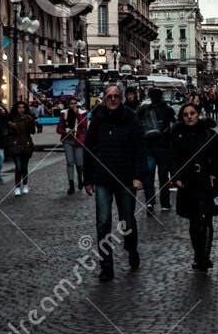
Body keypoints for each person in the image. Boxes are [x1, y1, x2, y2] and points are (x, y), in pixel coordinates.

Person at [82, 84, 146, 282]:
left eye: (116, 96)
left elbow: (139, 149)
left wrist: (138, 176)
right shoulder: (97, 119)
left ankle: (131, 249)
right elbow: (89, 150)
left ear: (121, 98)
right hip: (102, 179)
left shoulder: (131, 118)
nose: (112, 99)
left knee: (127, 220)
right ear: (103, 98)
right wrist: (88, 180)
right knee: (103, 223)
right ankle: (106, 266)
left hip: (126, 178)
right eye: (109, 96)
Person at [170, 99, 218, 272]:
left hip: (206, 182)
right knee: (194, 220)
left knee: (206, 218)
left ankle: (205, 256)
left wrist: (214, 173)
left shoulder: (209, 134)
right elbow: (172, 156)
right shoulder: (177, 134)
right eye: (186, 115)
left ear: (198, 114)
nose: (189, 117)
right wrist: (176, 176)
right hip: (187, 182)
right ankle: (198, 254)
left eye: (192, 113)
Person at [139, 87, 175, 215]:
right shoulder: (168, 109)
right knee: (163, 176)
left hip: (148, 146)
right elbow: (175, 125)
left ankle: (150, 202)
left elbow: (137, 125)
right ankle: (165, 202)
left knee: (148, 176)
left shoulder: (144, 109)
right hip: (163, 146)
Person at [6, 98, 37, 197]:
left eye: (23, 107)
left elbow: (33, 131)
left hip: (26, 144)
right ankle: (17, 187)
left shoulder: (28, 118)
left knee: (24, 167)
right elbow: (8, 133)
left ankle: (25, 185)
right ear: (16, 109)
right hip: (15, 145)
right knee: (18, 167)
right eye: (19, 107)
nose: (21, 109)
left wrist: (31, 122)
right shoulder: (11, 119)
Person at [57, 99, 86, 194]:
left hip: (78, 141)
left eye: (75, 103)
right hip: (68, 140)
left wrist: (77, 113)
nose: (73, 105)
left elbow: (84, 125)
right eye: (71, 104)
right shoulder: (64, 113)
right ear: (68, 105)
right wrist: (65, 132)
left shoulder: (82, 112)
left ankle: (80, 178)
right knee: (70, 162)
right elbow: (59, 128)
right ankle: (71, 185)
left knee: (80, 163)